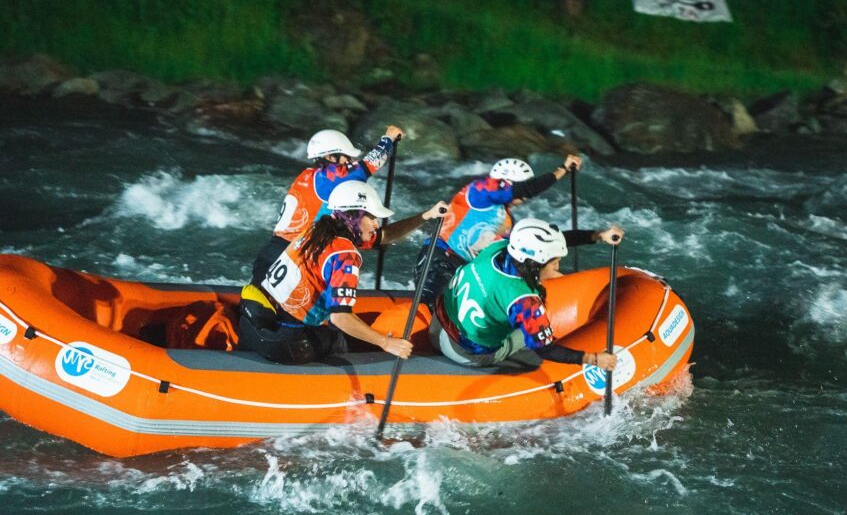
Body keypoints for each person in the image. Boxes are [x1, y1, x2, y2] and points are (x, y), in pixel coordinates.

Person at [239, 180, 448, 365]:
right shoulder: (345, 255)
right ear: (353, 217)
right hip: (285, 341)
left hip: (256, 322)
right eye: (372, 217)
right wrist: (386, 343)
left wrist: (426, 216)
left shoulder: (319, 229)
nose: (376, 223)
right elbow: (339, 318)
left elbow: (384, 236)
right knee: (338, 338)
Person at [429, 218, 623, 372]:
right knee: (537, 328)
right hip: (465, 354)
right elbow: (544, 349)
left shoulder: (500, 249)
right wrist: (593, 359)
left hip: (437, 326)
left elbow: (551, 243)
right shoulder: (524, 302)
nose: (558, 266)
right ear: (535, 264)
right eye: (554, 262)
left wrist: (598, 236)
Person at [413, 154, 582, 306]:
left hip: (466, 272)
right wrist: (563, 170)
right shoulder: (478, 193)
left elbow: (544, 242)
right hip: (439, 259)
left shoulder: (507, 221)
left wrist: (596, 236)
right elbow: (525, 189)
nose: (525, 194)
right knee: (432, 307)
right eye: (521, 187)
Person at [248, 126, 403, 287]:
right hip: (290, 257)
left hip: (272, 252)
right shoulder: (330, 179)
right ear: (330, 157)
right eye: (346, 157)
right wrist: (388, 138)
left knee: (255, 300)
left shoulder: (307, 175)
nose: (350, 162)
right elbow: (368, 166)